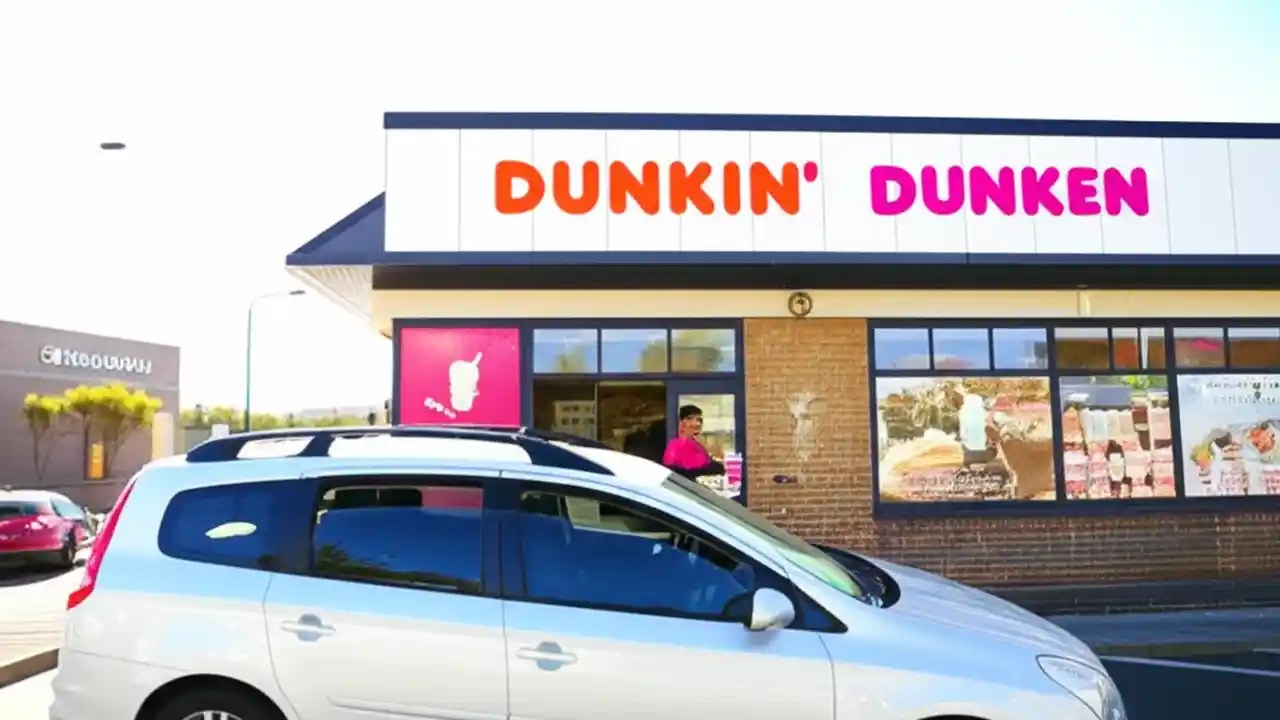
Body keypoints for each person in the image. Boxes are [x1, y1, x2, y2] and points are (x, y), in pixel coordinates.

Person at [663, 404, 725, 480]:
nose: (698, 424)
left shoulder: (695, 442)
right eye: (694, 419)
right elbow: (694, 468)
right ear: (683, 422)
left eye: (700, 420)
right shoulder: (677, 444)